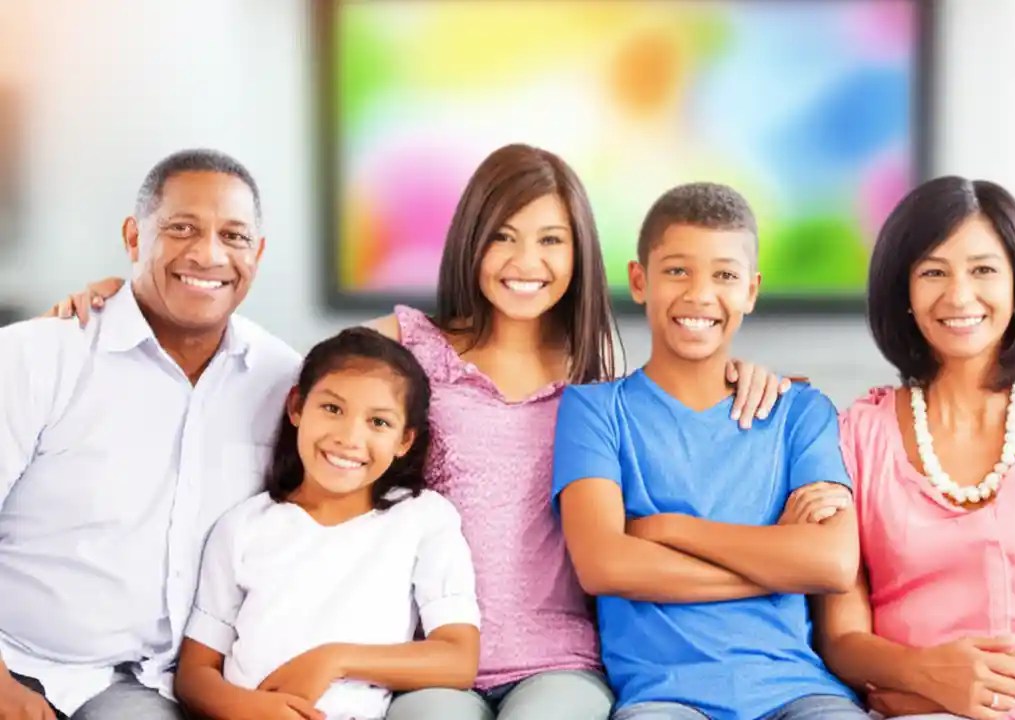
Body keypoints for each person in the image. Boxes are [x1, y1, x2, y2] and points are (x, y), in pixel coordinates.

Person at [50, 144, 791, 720]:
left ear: (579, 254)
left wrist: (746, 374)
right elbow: (295, 385)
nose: (526, 262)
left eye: (551, 241)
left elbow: (682, 411)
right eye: (503, 237)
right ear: (471, 241)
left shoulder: (599, 377)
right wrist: (138, 299)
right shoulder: (410, 346)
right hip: (423, 657)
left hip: (559, 657)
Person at [818, 176, 1015, 720]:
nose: (959, 295)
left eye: (984, 270)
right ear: (903, 293)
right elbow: (843, 638)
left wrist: (980, 684)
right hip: (925, 708)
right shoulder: (853, 437)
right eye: (933, 272)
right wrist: (924, 678)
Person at [0, 149, 301, 720]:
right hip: (25, 663)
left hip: (171, 684)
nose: (208, 254)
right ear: (134, 237)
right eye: (181, 228)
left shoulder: (284, 381)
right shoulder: (37, 356)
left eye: (234, 236)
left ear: (257, 254)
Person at [553, 182, 866, 720]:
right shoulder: (595, 411)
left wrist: (670, 529)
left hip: (798, 692)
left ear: (751, 290)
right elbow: (604, 565)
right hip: (663, 698)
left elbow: (832, 564)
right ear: (639, 280)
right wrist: (777, 562)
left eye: (724, 275)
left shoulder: (800, 412)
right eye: (678, 270)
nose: (700, 295)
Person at [175, 327, 481, 720]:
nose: (349, 438)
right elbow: (195, 673)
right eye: (333, 409)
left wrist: (334, 660)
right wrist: (250, 708)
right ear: (297, 407)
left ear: (404, 441)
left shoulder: (423, 518)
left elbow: (457, 658)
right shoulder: (242, 528)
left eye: (379, 422)